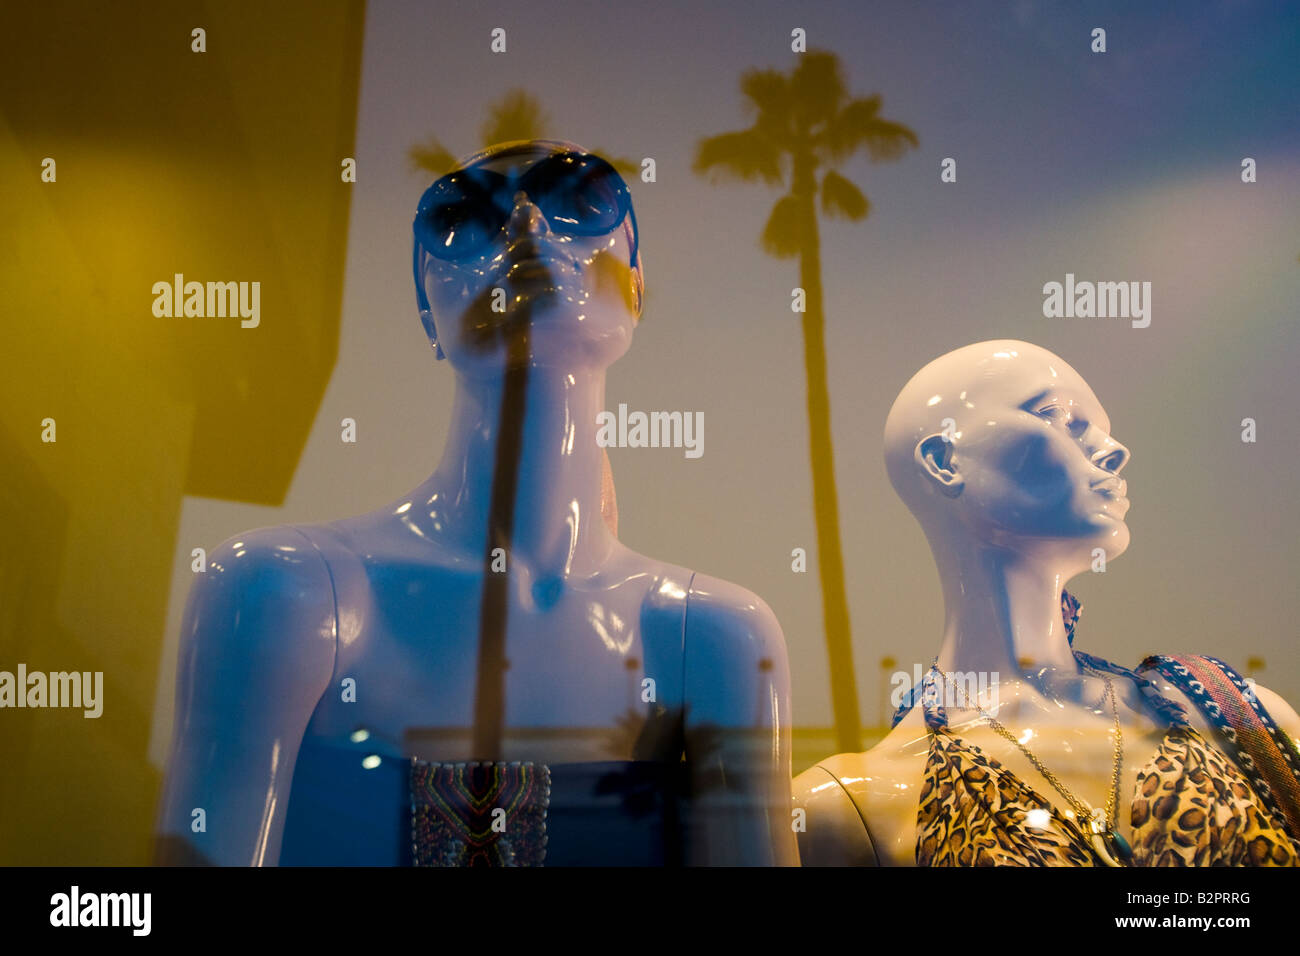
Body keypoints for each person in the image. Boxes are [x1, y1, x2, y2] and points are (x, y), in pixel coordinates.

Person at [155, 139, 796, 866]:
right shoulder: (289, 594)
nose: (527, 224)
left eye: (580, 199)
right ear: (429, 314)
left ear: (637, 284)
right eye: (463, 215)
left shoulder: (710, 638)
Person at [794, 340, 1300, 866]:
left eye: (1100, 425)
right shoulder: (848, 809)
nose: (1114, 448)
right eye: (1059, 417)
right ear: (944, 460)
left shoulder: (1242, 719)